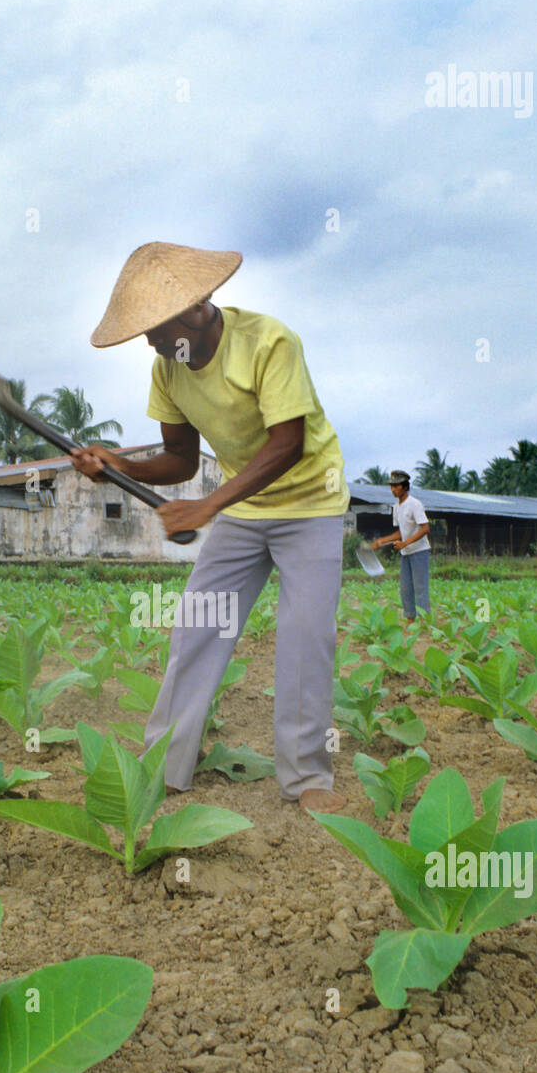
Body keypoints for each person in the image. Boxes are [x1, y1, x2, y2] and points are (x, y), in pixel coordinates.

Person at [71, 241, 350, 814]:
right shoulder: (167, 369)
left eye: (155, 327)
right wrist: (119, 467)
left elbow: (288, 444)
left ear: (198, 309)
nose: (149, 341)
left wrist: (206, 506)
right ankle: (164, 767)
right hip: (244, 513)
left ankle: (306, 781)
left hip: (310, 504)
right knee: (198, 626)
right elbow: (178, 458)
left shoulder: (269, 342)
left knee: (306, 637)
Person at [372, 469, 431, 623]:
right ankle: (411, 621)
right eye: (391, 486)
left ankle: (424, 622)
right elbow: (400, 532)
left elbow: (425, 528)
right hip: (406, 553)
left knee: (420, 588)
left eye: (396, 486)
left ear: (405, 487)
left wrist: (405, 542)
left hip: (419, 551)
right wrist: (382, 541)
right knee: (406, 589)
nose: (393, 489)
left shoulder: (414, 504)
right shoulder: (396, 507)